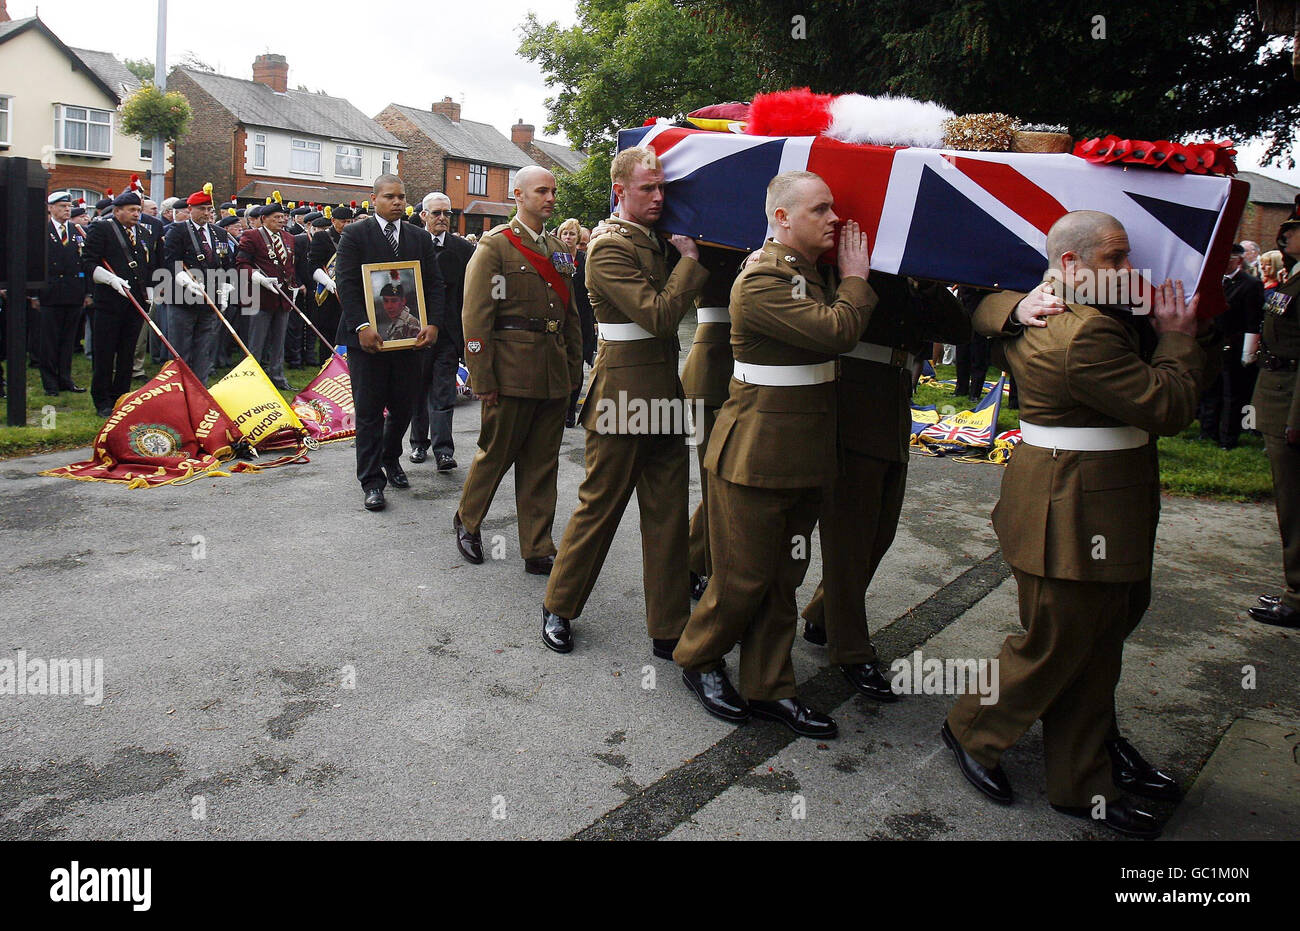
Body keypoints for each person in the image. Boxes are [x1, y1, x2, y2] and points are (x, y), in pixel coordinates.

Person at [942, 210, 1218, 839]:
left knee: (1096, 642)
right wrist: (1177, 336)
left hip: (1095, 499)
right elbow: (1169, 406)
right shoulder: (1082, 334)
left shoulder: (1045, 305)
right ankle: (972, 727)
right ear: (1070, 265)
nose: (1129, 270)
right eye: (1115, 259)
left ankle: (1085, 772)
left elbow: (985, 303)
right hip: (1073, 506)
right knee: (1057, 642)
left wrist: (1005, 306)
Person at [674, 172, 874, 736]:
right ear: (782, 217)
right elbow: (839, 330)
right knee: (741, 576)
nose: (834, 219)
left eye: (833, 209)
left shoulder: (806, 272)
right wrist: (857, 280)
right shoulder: (764, 278)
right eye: (821, 210)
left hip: (802, 452)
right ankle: (699, 658)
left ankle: (770, 685)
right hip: (756, 454)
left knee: (784, 574)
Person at [541, 147, 708, 655]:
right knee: (601, 508)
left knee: (668, 515)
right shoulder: (609, 247)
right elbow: (658, 315)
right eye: (647, 189)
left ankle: (669, 626)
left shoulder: (654, 241)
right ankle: (560, 604)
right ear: (620, 191)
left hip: (664, 393)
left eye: (662, 189)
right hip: (621, 397)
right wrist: (692, 261)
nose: (659, 198)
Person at [801, 271, 969, 700]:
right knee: (851, 534)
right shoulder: (850, 262)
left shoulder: (914, 270)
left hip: (892, 401)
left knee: (880, 530)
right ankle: (850, 647)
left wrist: (929, 284)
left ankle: (825, 614)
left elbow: (957, 328)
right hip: (852, 395)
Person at [454, 167, 583, 573]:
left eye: (553, 191)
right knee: (496, 453)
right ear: (518, 195)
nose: (550, 198)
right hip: (510, 370)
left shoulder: (559, 251)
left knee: (543, 463)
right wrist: (482, 376)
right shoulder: (496, 246)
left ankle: (537, 545)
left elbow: (571, 316)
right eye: (541, 191)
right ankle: (469, 521)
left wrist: (574, 372)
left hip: (552, 371)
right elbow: (476, 317)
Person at [334, 174, 444, 511]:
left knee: (402, 407)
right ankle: (371, 481)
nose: (397, 202)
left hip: (409, 340)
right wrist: (362, 326)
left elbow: (434, 285)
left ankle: (390, 457)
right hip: (367, 341)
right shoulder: (355, 234)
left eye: (402, 196)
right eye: (390, 196)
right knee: (369, 411)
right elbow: (347, 283)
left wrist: (434, 323)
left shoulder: (417, 237)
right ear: (374, 199)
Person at [681, 246, 746, 600]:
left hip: (752, 379)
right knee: (715, 484)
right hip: (712, 371)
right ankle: (713, 580)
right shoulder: (707, 241)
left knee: (729, 487)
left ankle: (693, 564)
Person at [1248, 199, 1300, 628]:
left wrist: (1296, 418)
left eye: (1294, 228)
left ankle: (1297, 596)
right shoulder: (1293, 277)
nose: (1285, 234)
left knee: (1295, 503)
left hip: (1291, 402)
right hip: (1278, 391)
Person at [80, 190, 164, 417]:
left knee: (127, 352)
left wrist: (150, 289)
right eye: (132, 210)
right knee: (105, 352)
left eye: (138, 210)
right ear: (117, 211)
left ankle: (121, 395)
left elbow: (150, 264)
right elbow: (88, 262)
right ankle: (102, 399)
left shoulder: (144, 232)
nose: (137, 214)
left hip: (136, 301)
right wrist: (109, 279)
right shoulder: (102, 229)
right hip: (110, 300)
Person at [410, 192, 475, 469]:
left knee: (443, 391)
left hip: (448, 332)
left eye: (447, 213)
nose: (442, 218)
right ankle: (417, 444)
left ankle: (443, 450)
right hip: (417, 330)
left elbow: (470, 292)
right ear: (423, 215)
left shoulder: (462, 249)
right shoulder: (411, 244)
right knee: (417, 390)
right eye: (436, 213)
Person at [162, 188, 237, 385]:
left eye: (209, 209)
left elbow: (226, 263)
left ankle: (200, 388)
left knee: (204, 347)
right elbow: (171, 261)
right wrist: (183, 279)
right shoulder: (177, 231)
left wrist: (226, 288)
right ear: (190, 209)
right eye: (202, 209)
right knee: (181, 348)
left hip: (211, 297)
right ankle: (178, 387)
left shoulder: (220, 233)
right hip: (183, 297)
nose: (207, 213)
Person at [1198, 244, 1264, 448]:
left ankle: (1228, 437)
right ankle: (1208, 431)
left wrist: (1249, 351)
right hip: (1213, 342)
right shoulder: (1215, 281)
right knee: (1210, 388)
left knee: (1231, 393)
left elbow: (1253, 320)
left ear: (1236, 260)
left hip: (1234, 344)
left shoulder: (1250, 284)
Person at [237, 202, 299, 390]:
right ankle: (251, 380)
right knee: (256, 341)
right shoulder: (252, 236)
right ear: (264, 219)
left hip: (283, 296)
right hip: (260, 296)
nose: (281, 221)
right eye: (276, 218)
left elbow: (289, 265)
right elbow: (241, 264)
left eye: (283, 217)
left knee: (279, 341)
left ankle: (278, 378)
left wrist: (293, 286)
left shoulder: (289, 238)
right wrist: (259, 279)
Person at [36, 191, 90, 397]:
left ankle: (65, 379)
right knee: (49, 341)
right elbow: (34, 264)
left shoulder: (77, 231)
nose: (66, 210)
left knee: (68, 340)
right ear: (50, 208)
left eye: (68, 206)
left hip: (74, 292)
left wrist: (86, 292)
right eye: (61, 206)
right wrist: (34, 295)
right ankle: (50, 382)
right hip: (50, 294)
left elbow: (85, 261)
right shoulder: (42, 230)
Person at [309, 204, 353, 366]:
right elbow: (313, 265)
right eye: (343, 221)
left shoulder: (355, 237)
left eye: (350, 221)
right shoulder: (322, 238)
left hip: (349, 293)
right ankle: (326, 367)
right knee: (328, 334)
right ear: (333, 220)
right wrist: (328, 282)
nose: (347, 225)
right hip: (329, 295)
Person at [566, 224, 596, 427]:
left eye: (572, 234)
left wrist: (595, 320)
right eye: (564, 233)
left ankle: (570, 410)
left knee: (577, 365)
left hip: (583, 319)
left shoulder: (585, 261)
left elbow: (592, 291)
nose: (568, 237)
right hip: (562, 319)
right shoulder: (556, 257)